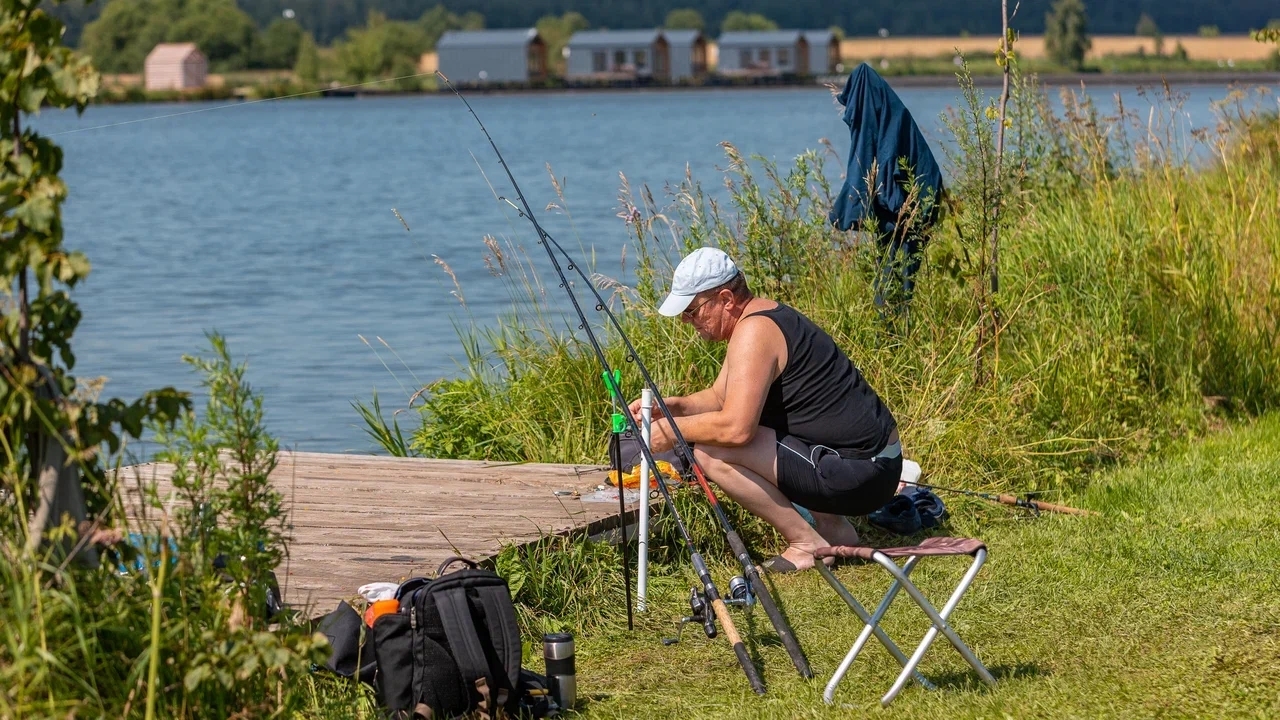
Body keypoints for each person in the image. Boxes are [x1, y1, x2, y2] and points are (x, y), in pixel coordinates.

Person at [631, 247, 901, 573]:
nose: (689, 322)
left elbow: (736, 428)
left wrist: (671, 432)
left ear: (726, 298)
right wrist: (673, 408)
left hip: (864, 472)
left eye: (692, 311)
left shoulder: (754, 333)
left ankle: (806, 543)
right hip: (876, 463)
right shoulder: (761, 318)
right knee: (727, 438)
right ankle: (833, 530)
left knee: (711, 451)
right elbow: (719, 397)